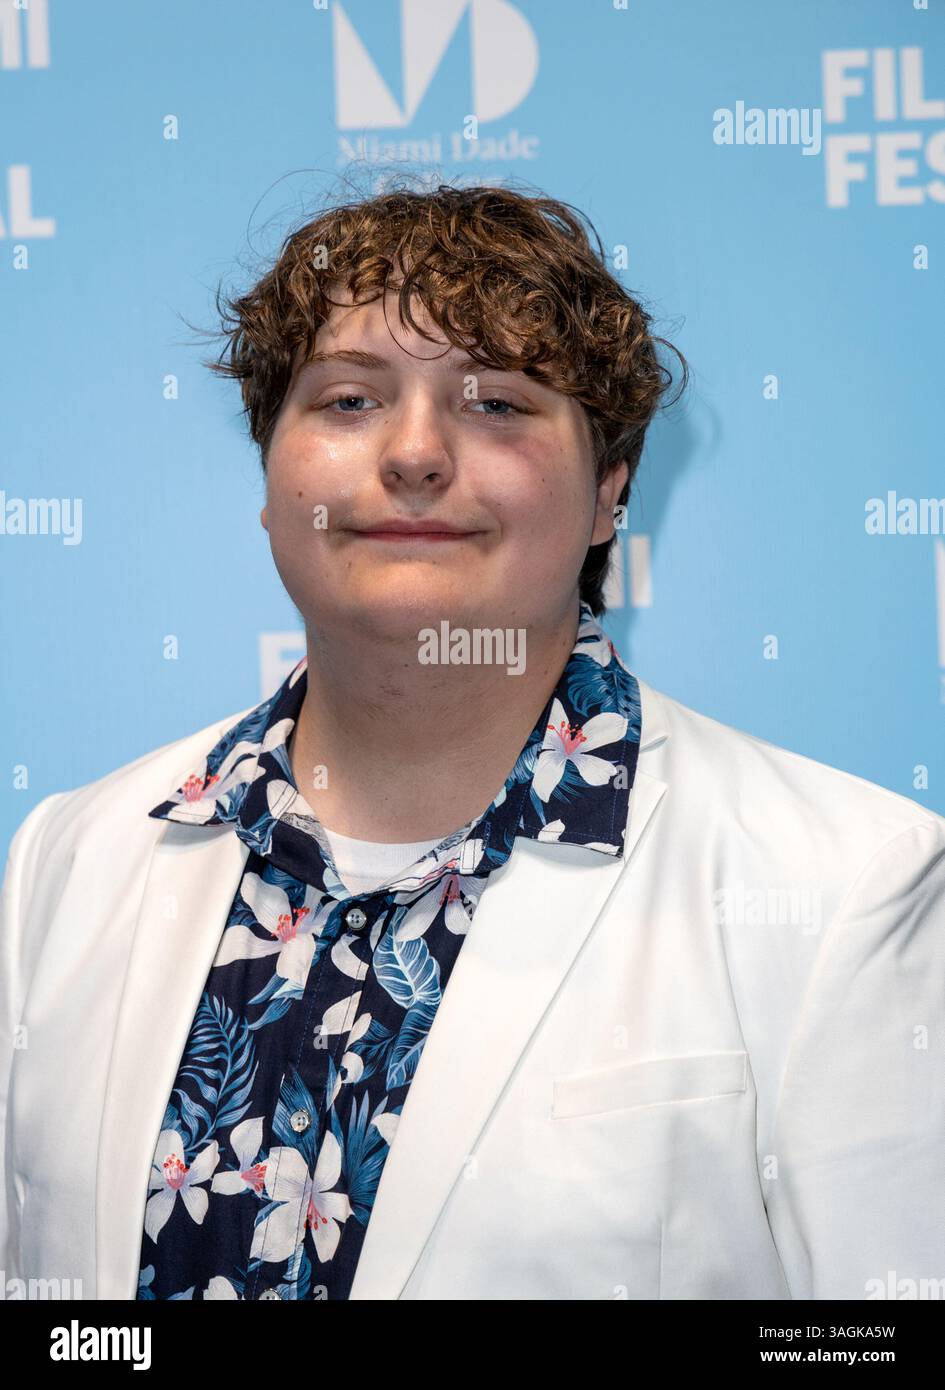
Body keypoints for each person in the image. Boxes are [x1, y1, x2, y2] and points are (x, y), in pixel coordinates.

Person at [2, 182, 942, 1302]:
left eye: (495, 403)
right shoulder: (71, 854)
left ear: (611, 491)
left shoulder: (843, 883)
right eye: (348, 401)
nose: (413, 454)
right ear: (268, 480)